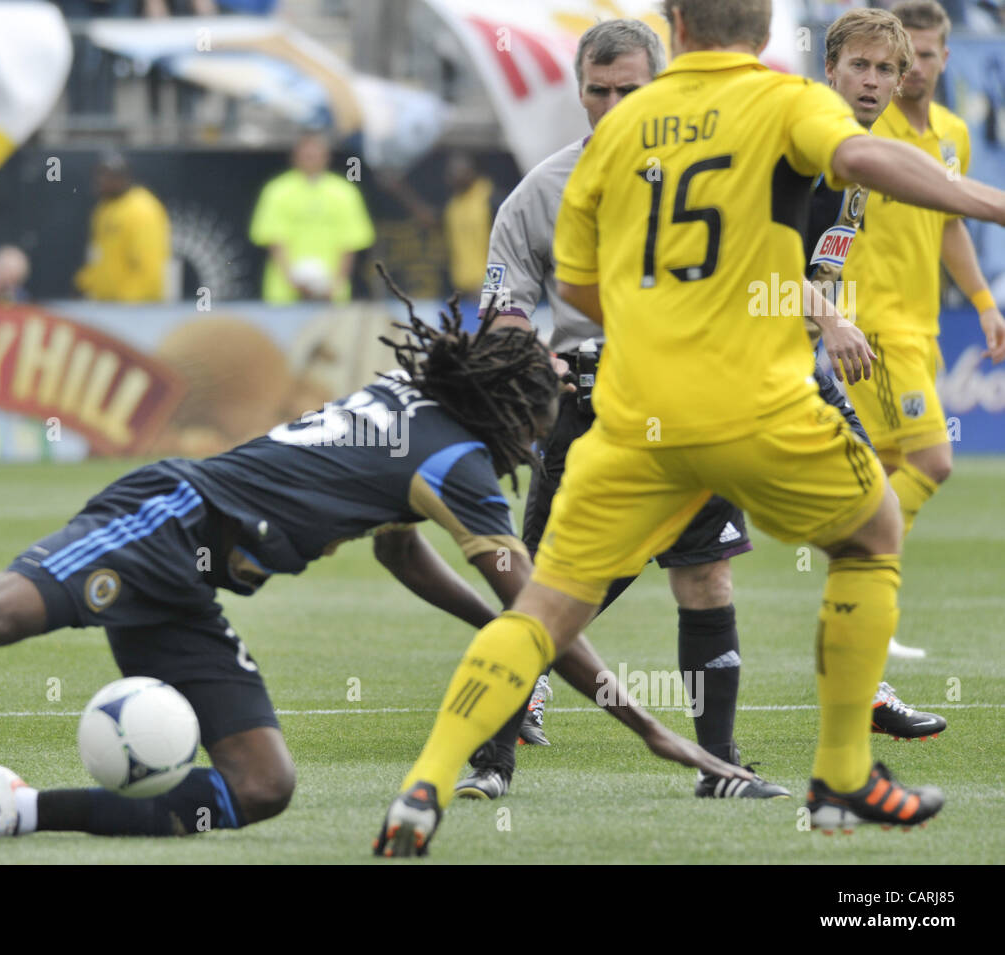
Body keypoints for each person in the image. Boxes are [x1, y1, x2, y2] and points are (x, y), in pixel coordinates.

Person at [0, 279, 746, 842]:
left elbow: (400, 554)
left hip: (191, 578)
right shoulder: (462, 464)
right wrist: (652, 730)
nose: (543, 436)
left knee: (260, 787)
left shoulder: (417, 414)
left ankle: (16, 806)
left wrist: (496, 632)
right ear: (511, 404)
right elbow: (547, 613)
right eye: (546, 416)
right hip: (168, 518)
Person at [376, 0, 1005, 857]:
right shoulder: (777, 103)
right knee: (874, 531)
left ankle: (428, 781)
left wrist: (657, 320)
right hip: (744, 401)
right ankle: (841, 774)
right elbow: (863, 158)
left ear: (675, 26)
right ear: (770, 32)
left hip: (628, 406)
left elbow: (582, 287)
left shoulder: (616, 145)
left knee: (546, 604)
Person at [460, 18, 792, 803]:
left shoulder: (718, 175)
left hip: (695, 401)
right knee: (543, 590)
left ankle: (720, 768)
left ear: (662, 85)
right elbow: (506, 303)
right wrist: (526, 352)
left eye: (628, 90)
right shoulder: (541, 191)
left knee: (706, 578)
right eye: (598, 90)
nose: (611, 105)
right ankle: (488, 760)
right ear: (580, 90)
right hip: (589, 407)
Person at [839, 0, 1005, 657]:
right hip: (873, 326)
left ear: (941, 58)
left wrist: (984, 303)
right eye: (890, 61)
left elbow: (950, 222)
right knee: (932, 459)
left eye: (923, 56)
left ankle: (864, 608)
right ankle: (861, 589)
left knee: (886, 469)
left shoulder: (952, 133)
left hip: (923, 324)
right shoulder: (861, 130)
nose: (910, 70)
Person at [805, 6, 949, 736]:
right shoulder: (803, 147)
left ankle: (863, 688)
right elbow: (753, 263)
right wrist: (831, 320)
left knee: (874, 519)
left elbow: (814, 269)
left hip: (785, 370)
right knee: (644, 548)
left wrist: (821, 316)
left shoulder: (854, 165)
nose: (871, 80)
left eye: (885, 69)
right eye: (858, 65)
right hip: (726, 373)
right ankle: (527, 667)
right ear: (830, 68)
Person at [249, 132, 375, 304]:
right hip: (285, 296)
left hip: (331, 295)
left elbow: (351, 243)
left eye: (316, 155)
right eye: (307, 155)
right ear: (295, 157)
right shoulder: (277, 191)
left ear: (326, 157)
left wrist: (335, 284)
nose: (311, 160)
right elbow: (273, 240)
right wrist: (293, 282)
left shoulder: (344, 193)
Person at [74, 152, 170, 302]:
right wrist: (84, 283)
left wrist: (129, 301)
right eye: (100, 174)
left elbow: (149, 266)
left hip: (136, 306)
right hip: (106, 303)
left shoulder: (143, 209)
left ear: (123, 178)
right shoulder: (103, 210)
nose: (100, 181)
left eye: (108, 176)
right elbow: (100, 258)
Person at [441, 152, 495, 298]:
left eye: (459, 172)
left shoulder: (490, 200)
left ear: (472, 172)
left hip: (487, 285)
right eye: (451, 173)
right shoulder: (454, 204)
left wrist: (492, 288)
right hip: (462, 287)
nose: (455, 177)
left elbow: (505, 248)